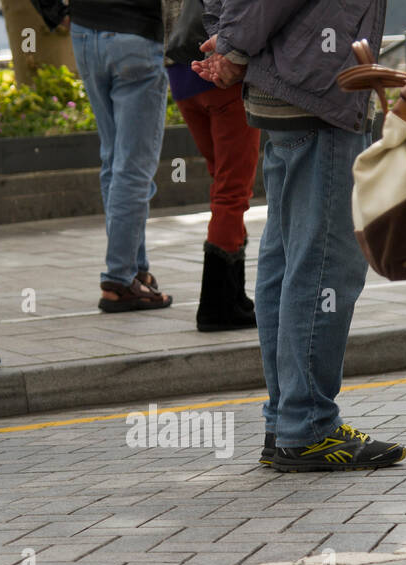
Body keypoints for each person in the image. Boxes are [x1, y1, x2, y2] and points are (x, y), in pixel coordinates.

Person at [196, 0, 406, 472]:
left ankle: (286, 420)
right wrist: (233, 46)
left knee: (288, 261)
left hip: (286, 85)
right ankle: (307, 425)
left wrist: (231, 42)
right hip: (315, 89)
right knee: (323, 266)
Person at [64, 1, 173, 312]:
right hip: (135, 34)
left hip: (86, 32)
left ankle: (134, 268)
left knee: (115, 160)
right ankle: (119, 279)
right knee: (133, 167)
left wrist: (55, 12)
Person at [162, 0, 259, 332]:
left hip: (180, 72)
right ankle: (217, 305)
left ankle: (234, 296)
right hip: (221, 72)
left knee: (223, 180)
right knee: (233, 189)